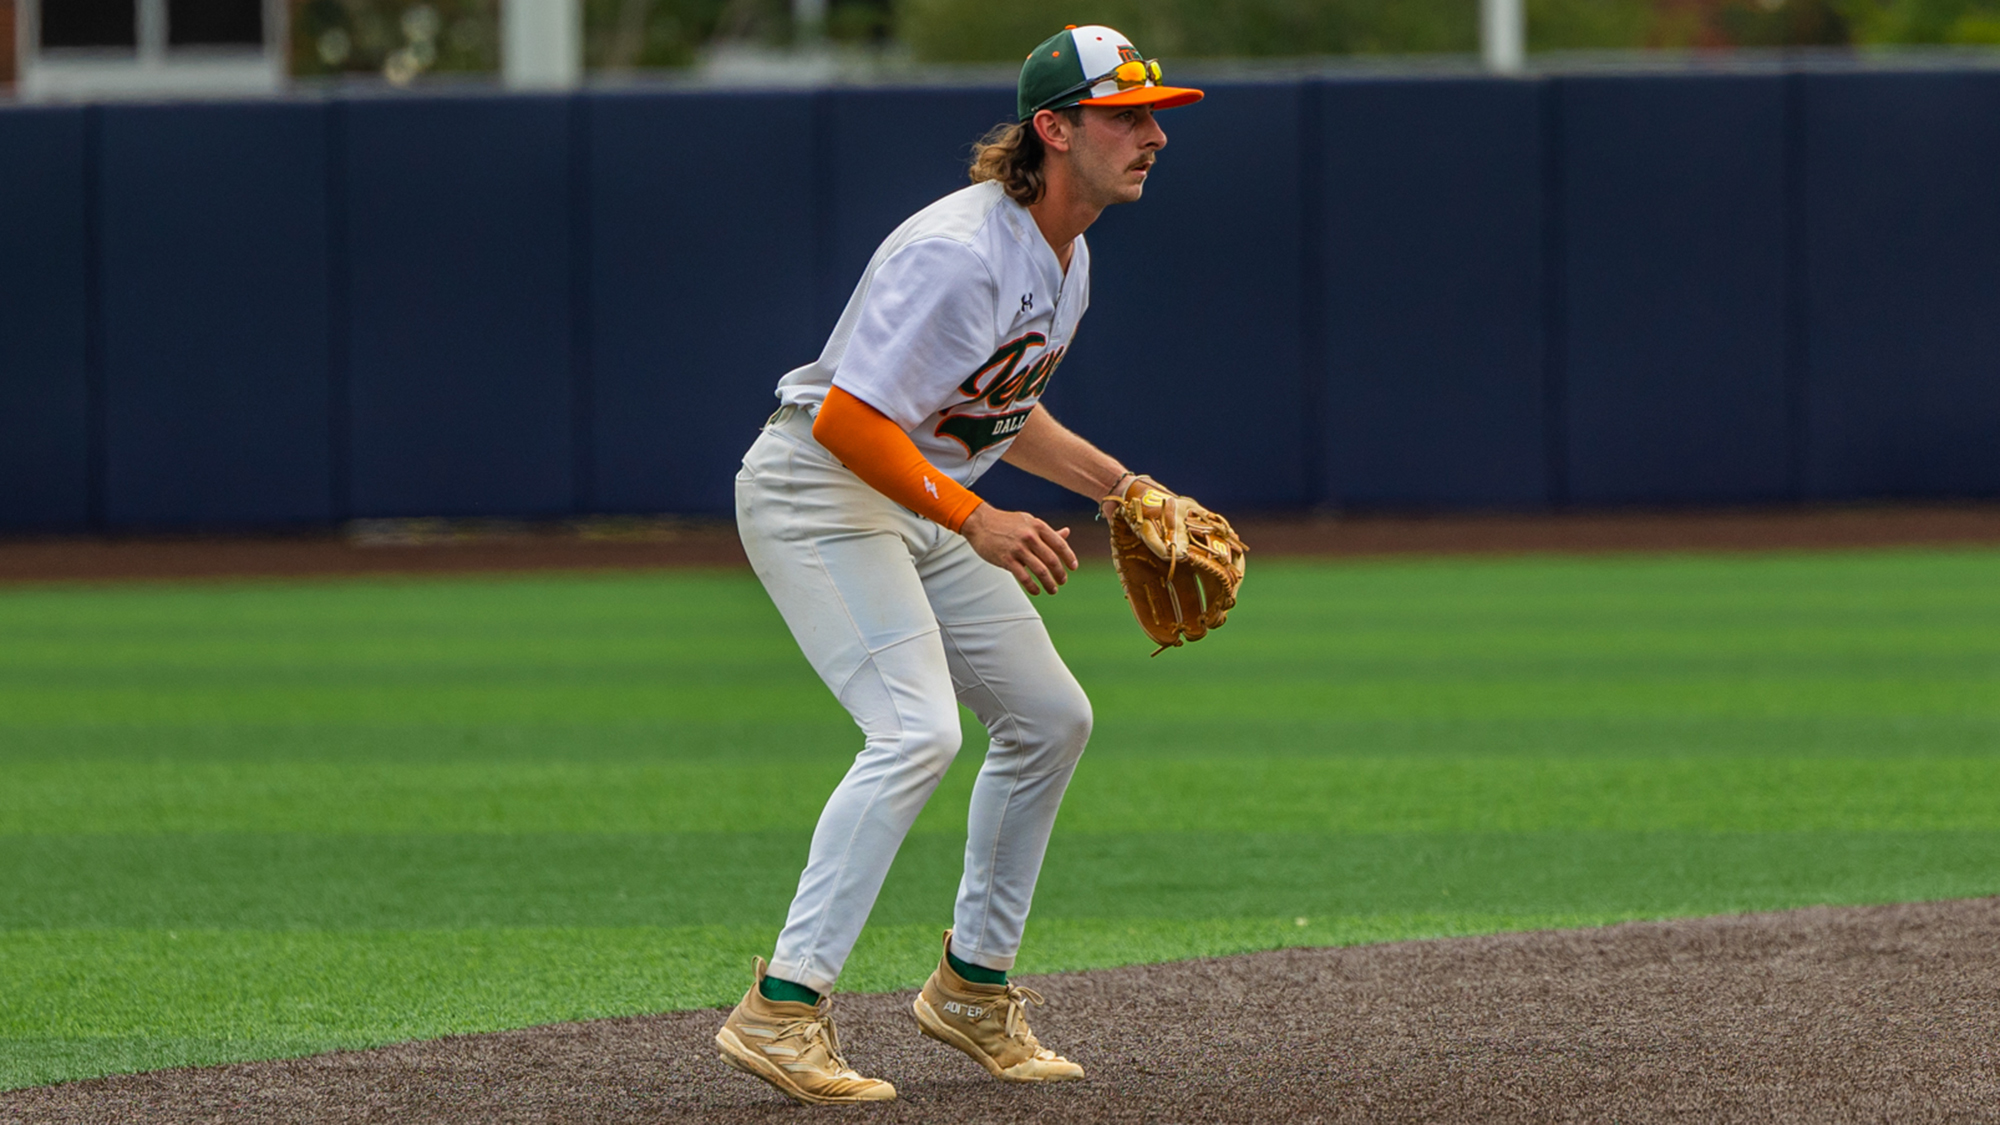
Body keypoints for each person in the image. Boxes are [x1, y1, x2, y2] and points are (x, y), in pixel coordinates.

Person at [714, 24, 1204, 1106]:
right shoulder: (956, 250)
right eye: (1126, 117)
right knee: (913, 731)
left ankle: (971, 989)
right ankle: (781, 1010)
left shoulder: (1065, 260)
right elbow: (848, 420)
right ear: (1054, 128)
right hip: (820, 492)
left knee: (1050, 718)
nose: (1152, 136)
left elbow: (994, 413)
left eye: (1154, 114)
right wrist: (975, 519)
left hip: (919, 493)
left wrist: (1120, 487)